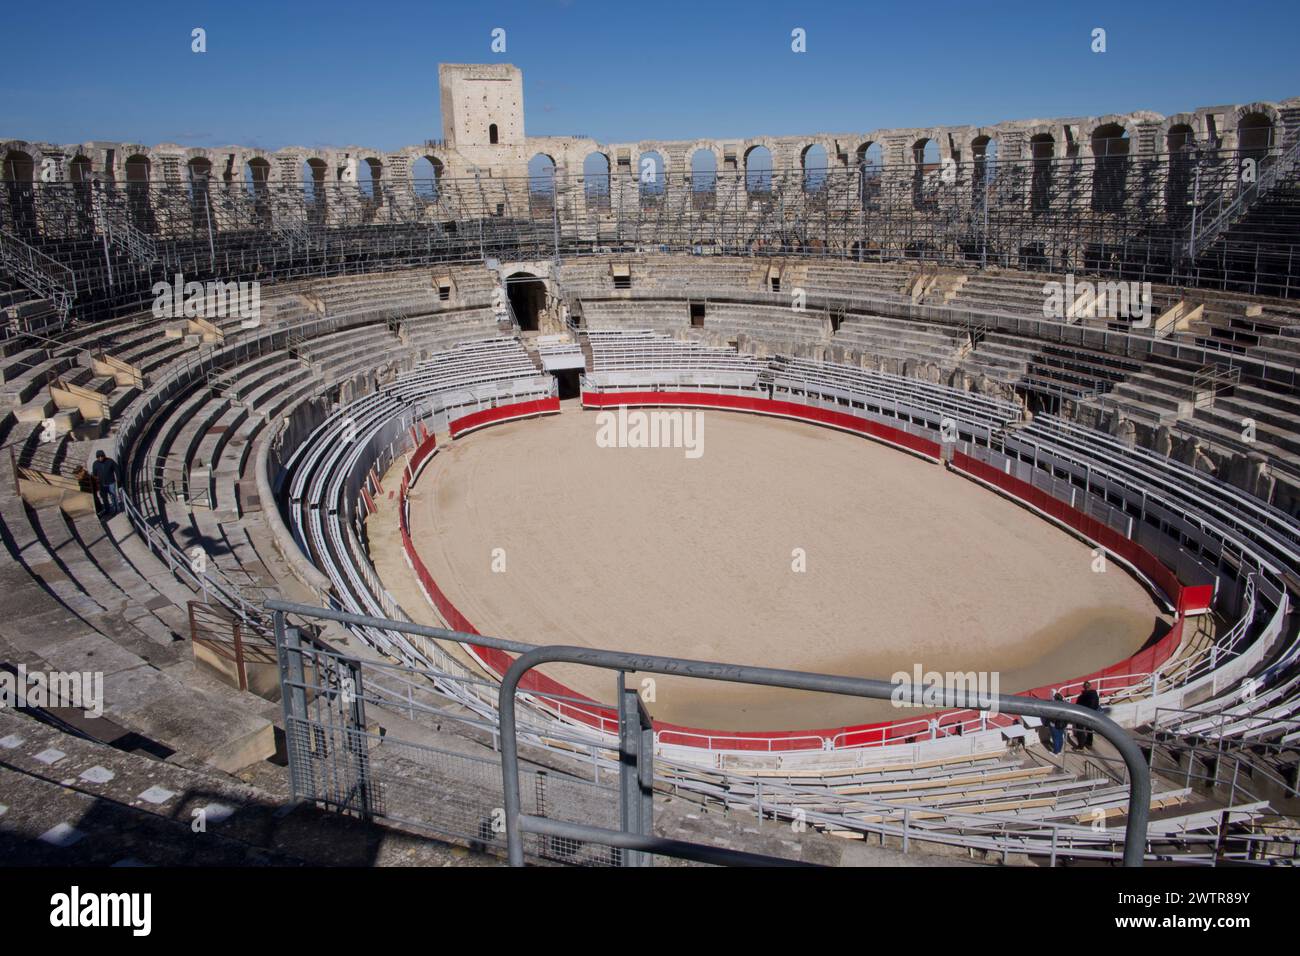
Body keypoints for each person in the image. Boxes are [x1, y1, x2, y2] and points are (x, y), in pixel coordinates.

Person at [92, 450, 120, 517]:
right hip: (102, 484)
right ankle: (107, 510)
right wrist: (96, 484)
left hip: (111, 483)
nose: (100, 458)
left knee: (113, 496)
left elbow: (117, 470)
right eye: (98, 457)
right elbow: (94, 475)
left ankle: (115, 509)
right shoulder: (95, 464)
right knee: (104, 498)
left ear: (104, 456)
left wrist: (119, 479)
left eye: (101, 456)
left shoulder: (110, 461)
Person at [1075, 681, 1101, 750]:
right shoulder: (1095, 695)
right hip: (1092, 714)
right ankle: (1089, 743)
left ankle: (1080, 747)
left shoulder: (1082, 697)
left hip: (1083, 715)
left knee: (1080, 729)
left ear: (1084, 687)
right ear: (1090, 686)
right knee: (1089, 729)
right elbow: (1096, 705)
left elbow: (1078, 706)